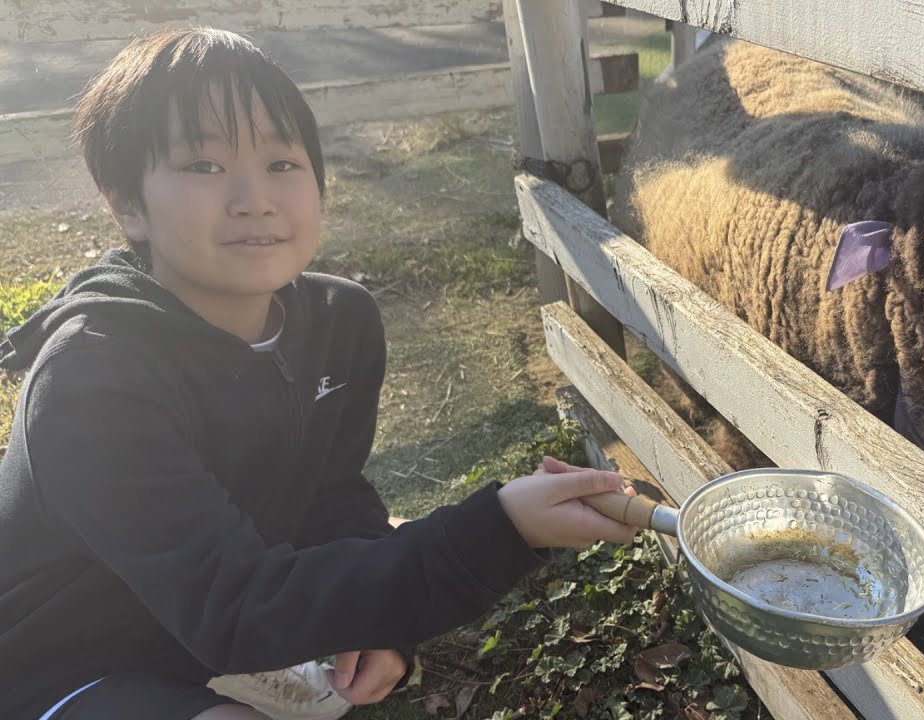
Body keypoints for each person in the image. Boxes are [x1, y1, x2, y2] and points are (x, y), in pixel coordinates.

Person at [0, 28, 637, 720]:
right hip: (63, 660)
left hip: (212, 637)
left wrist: (381, 626)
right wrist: (500, 528)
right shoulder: (92, 382)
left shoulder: (339, 321)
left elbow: (332, 493)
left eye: (281, 162)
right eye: (204, 166)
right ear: (126, 202)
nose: (254, 198)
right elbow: (236, 604)